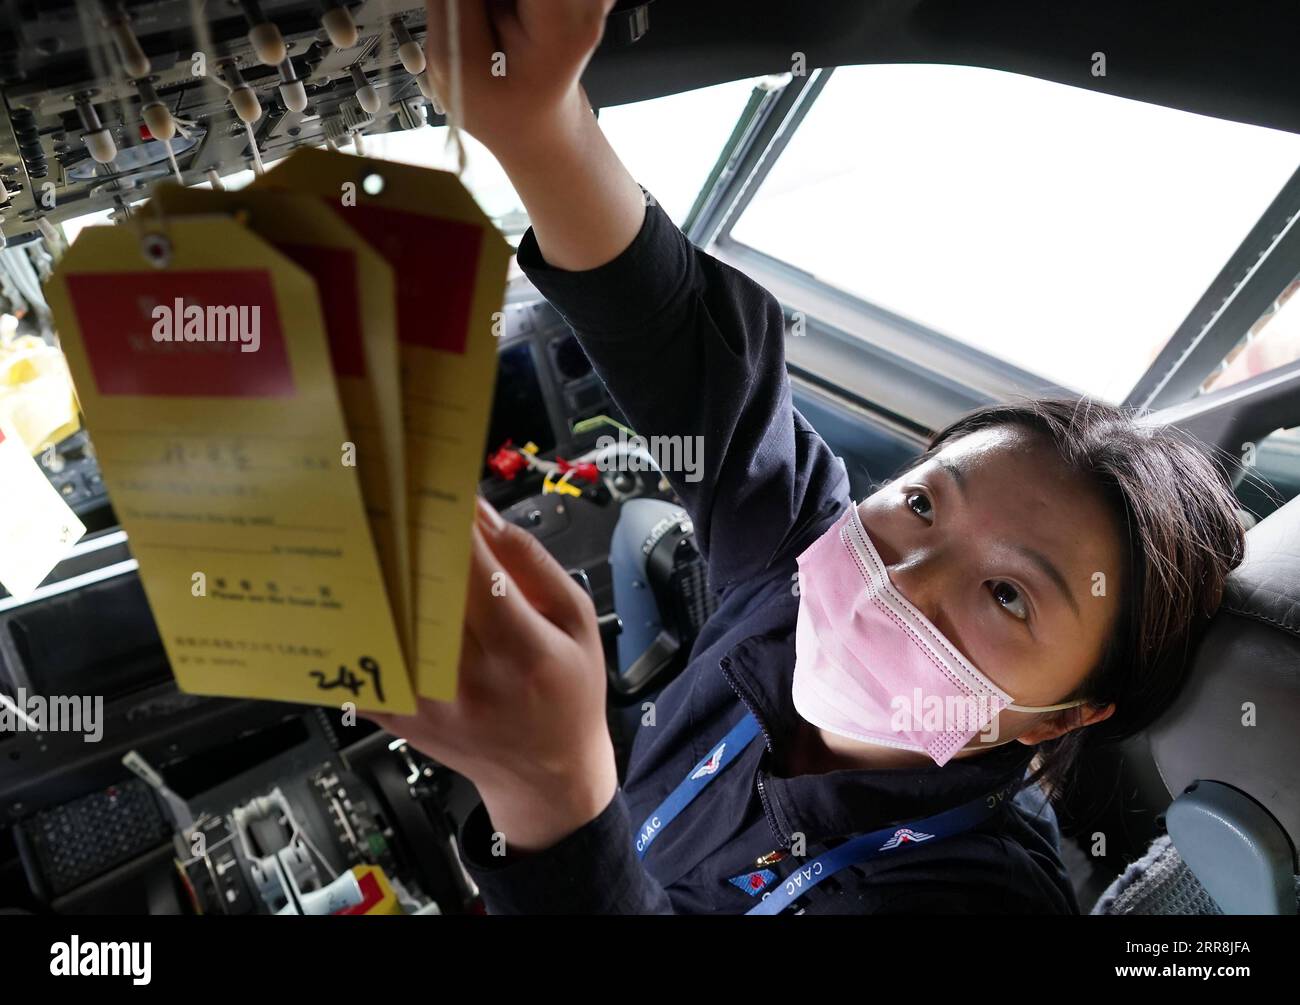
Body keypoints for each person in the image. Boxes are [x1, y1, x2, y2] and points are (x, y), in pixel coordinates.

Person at [370, 0, 1246, 914]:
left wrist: (554, 799)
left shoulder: (974, 899)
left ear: (1068, 715)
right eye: (922, 506)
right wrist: (542, 129)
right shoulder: (798, 565)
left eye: (1008, 594)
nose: (897, 580)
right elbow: (694, 366)